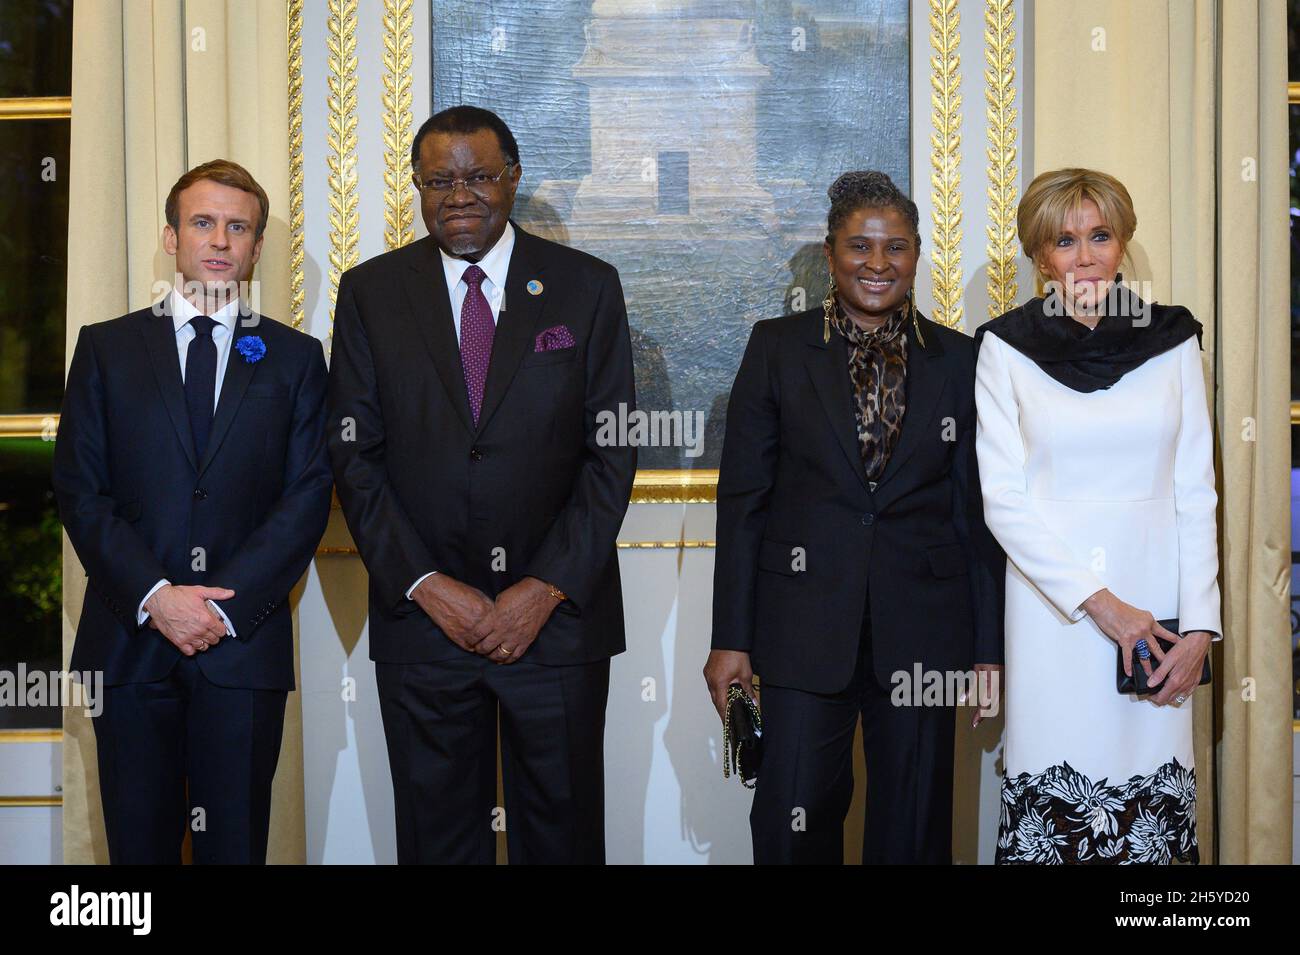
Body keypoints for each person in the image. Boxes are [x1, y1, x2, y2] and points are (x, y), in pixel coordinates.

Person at [327, 105, 636, 864]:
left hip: (556, 626)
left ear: (513, 178)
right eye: (439, 180)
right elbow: (354, 457)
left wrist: (542, 589)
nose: (458, 194)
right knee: (438, 844)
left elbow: (612, 453)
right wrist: (428, 584)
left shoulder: (585, 287)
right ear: (418, 187)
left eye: (478, 176)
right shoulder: (371, 292)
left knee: (561, 842)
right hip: (424, 625)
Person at [705, 170, 1005, 864]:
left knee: (914, 825)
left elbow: (976, 514)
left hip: (926, 631)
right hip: (802, 628)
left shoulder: (960, 359)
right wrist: (731, 639)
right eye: (860, 246)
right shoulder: (777, 348)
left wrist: (988, 649)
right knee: (791, 823)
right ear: (831, 250)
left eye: (896, 247)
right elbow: (743, 502)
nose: (877, 263)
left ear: (918, 252)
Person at [53, 159, 332, 864]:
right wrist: (159, 596)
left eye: (238, 227)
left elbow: (306, 499)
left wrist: (217, 609)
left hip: (241, 648)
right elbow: (82, 492)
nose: (219, 239)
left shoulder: (296, 359)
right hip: (131, 641)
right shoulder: (106, 348)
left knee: (233, 847)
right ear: (171, 237)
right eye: (203, 221)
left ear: (256, 247)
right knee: (135, 853)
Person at [974, 167, 1220, 864]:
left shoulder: (1173, 342)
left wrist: (1200, 625)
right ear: (1038, 255)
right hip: (1057, 620)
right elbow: (1005, 504)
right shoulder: (1003, 349)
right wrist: (1102, 605)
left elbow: (1196, 489)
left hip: (1160, 623)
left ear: (1122, 243)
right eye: (1064, 240)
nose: (1084, 257)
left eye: (1100, 236)